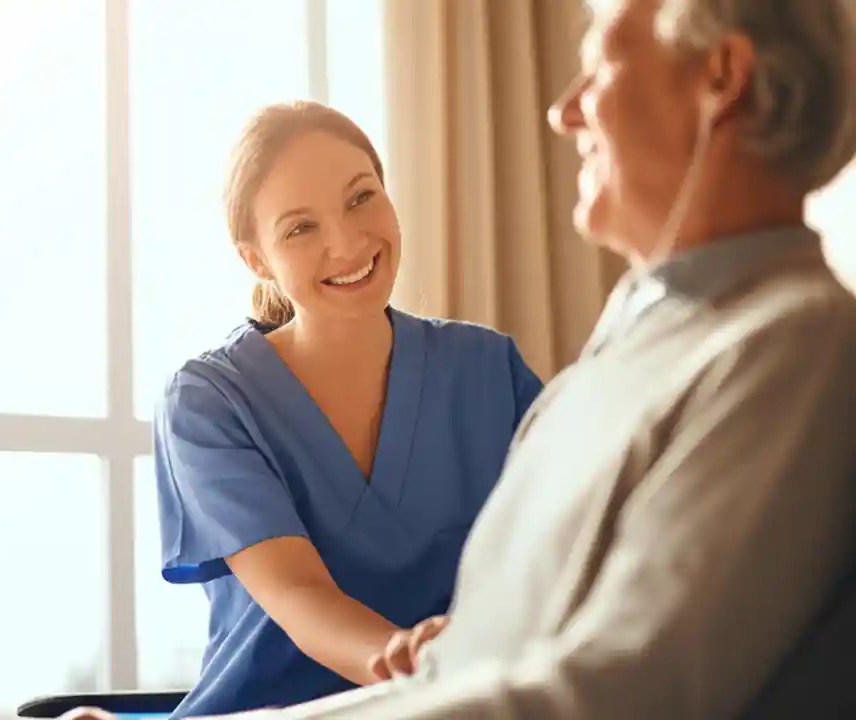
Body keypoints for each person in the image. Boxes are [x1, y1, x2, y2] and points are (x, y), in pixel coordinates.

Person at [62, 0, 856, 717]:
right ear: (257, 257)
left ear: (722, 78)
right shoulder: (636, 345)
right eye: (300, 227)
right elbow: (465, 674)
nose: (562, 108)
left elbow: (613, 687)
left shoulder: (786, 349)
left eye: (604, 63)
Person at [148, 101, 543, 717]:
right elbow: (301, 596)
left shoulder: (489, 370)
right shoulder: (209, 401)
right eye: (300, 228)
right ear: (257, 259)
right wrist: (425, 669)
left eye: (361, 198)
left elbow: (570, 544)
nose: (347, 241)